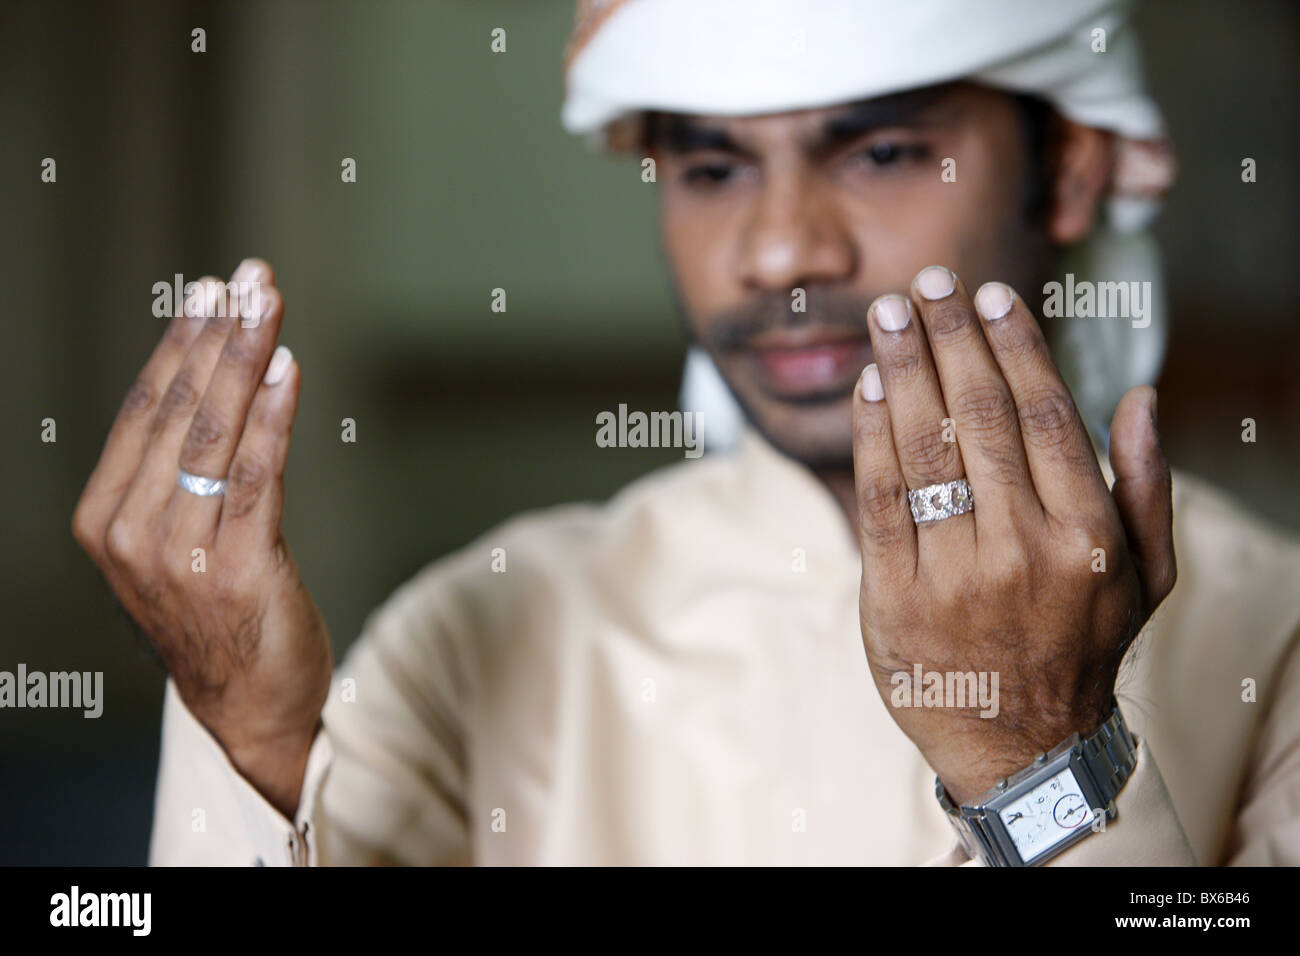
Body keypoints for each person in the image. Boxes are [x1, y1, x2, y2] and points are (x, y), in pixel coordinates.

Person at [72, 0, 1300, 865]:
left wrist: (1039, 763)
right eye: (712, 170)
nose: (779, 251)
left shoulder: (1276, 638)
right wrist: (249, 733)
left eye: (878, 150)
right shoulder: (476, 634)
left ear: (1071, 169)